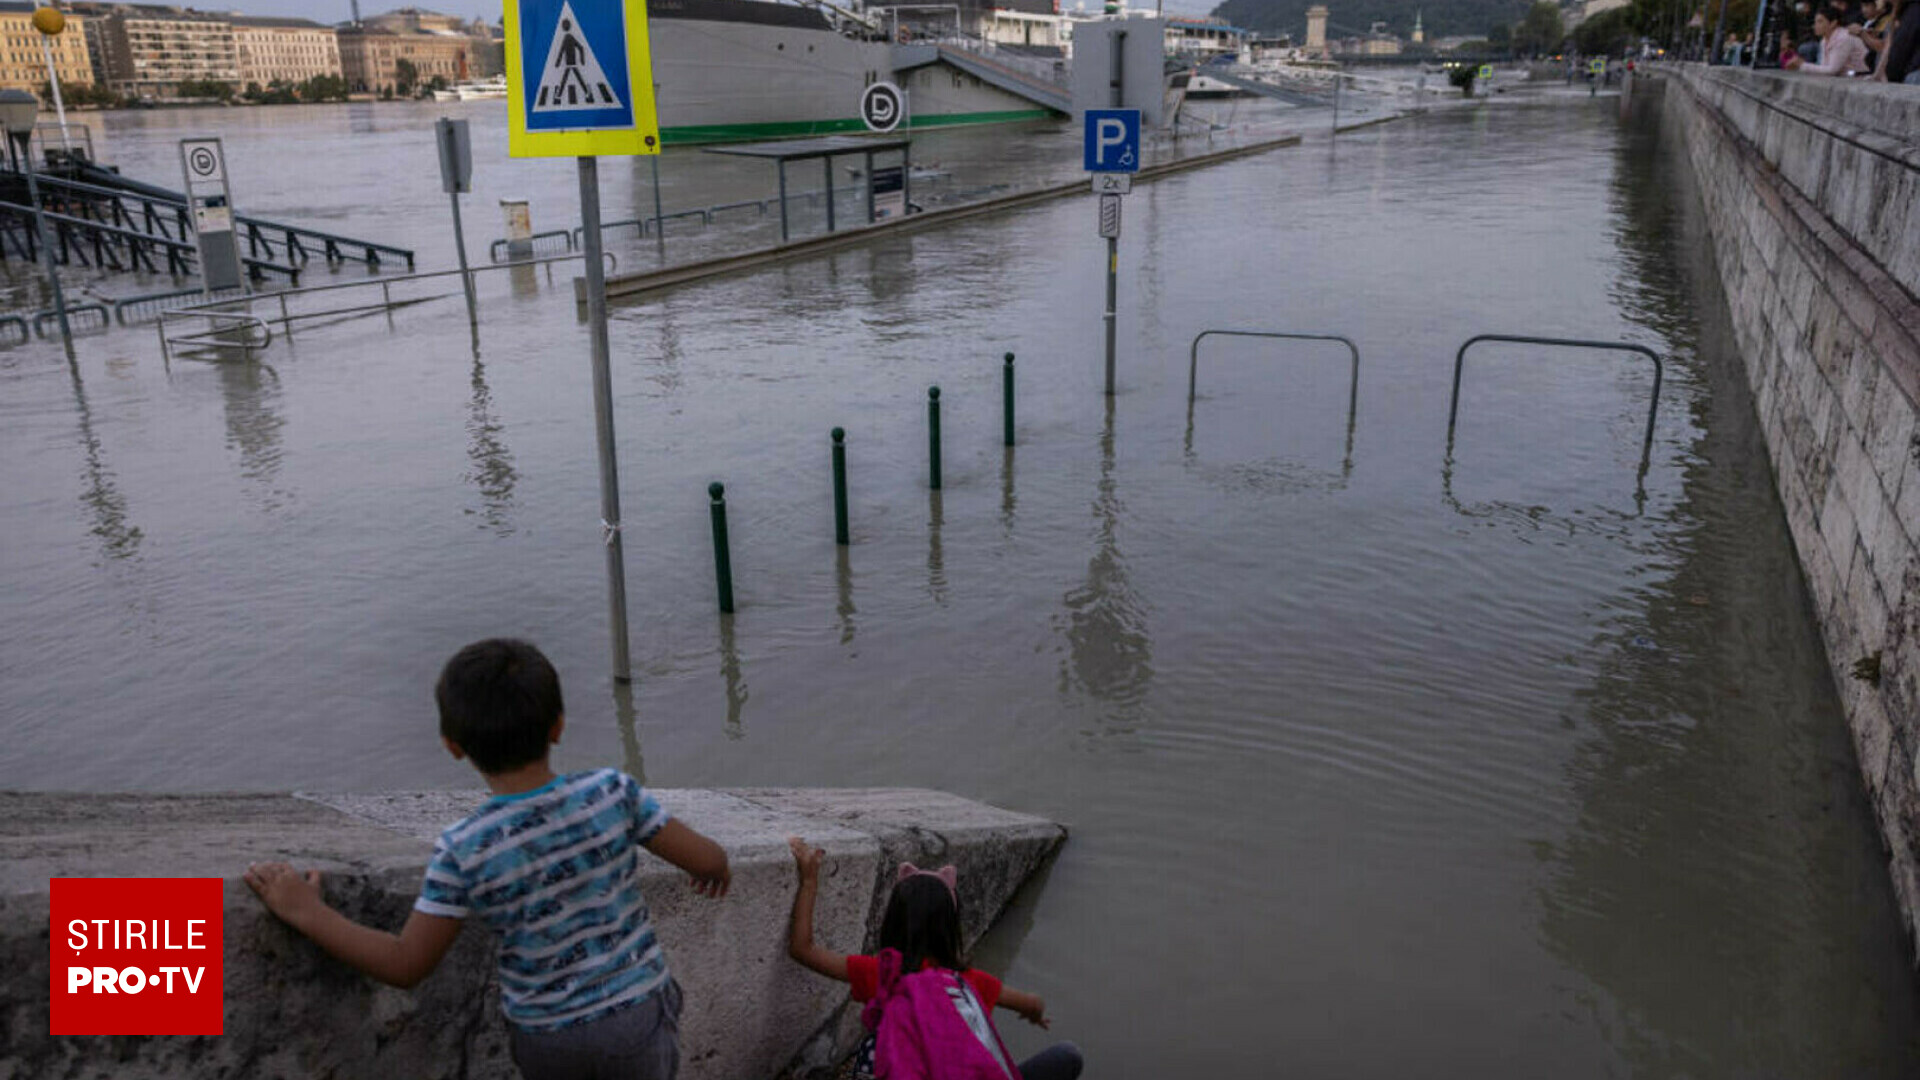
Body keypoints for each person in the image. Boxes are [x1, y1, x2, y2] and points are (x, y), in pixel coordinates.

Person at [246, 638, 732, 1080]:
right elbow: (706, 859)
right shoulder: (611, 793)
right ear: (558, 726)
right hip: (636, 1018)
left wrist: (308, 912)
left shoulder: (464, 848)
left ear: (453, 747)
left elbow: (406, 963)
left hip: (548, 1036)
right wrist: (715, 869)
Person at [786, 838, 1084, 1080]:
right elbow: (1031, 1002)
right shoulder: (967, 982)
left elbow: (803, 949)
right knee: (1067, 1056)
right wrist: (1034, 1014)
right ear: (950, 928)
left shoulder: (881, 973)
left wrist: (810, 880)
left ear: (892, 923)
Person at [1786, 5, 1872, 71]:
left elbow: (1832, 70)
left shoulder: (1843, 38)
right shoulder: (1824, 40)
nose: (1815, 26)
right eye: (1815, 22)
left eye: (1820, 22)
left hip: (1859, 78)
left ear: (1833, 23)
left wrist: (1802, 65)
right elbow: (1824, 66)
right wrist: (1800, 64)